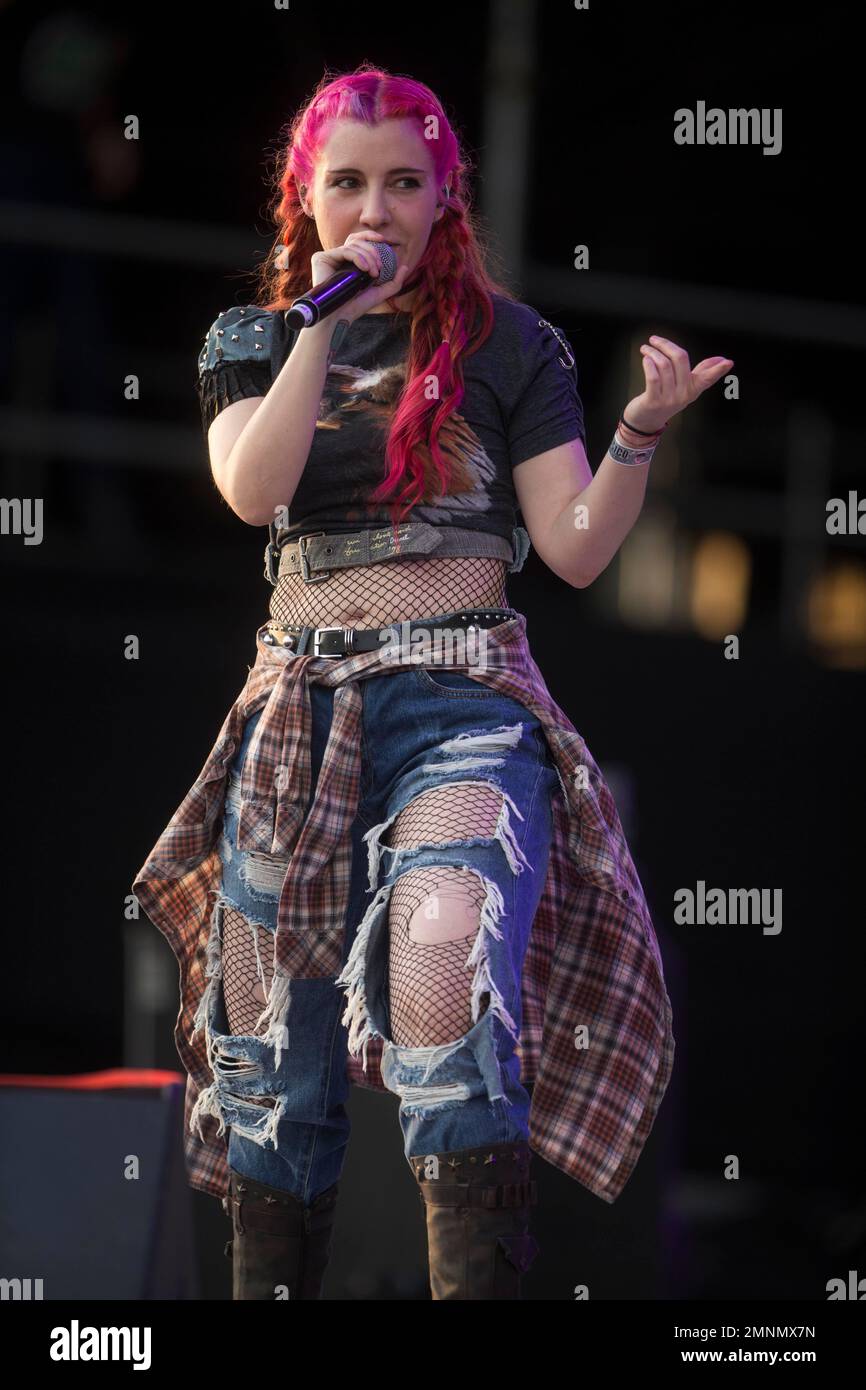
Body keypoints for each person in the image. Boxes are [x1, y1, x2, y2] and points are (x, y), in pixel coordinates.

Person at [132, 63, 732, 1302]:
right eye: (346, 182)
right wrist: (320, 325)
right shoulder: (251, 340)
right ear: (304, 199)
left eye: (403, 182)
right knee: (270, 1065)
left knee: (442, 971)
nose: (376, 205)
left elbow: (568, 544)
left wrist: (637, 437)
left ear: (442, 199)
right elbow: (251, 488)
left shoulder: (509, 344)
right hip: (298, 711)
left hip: (460, 704)